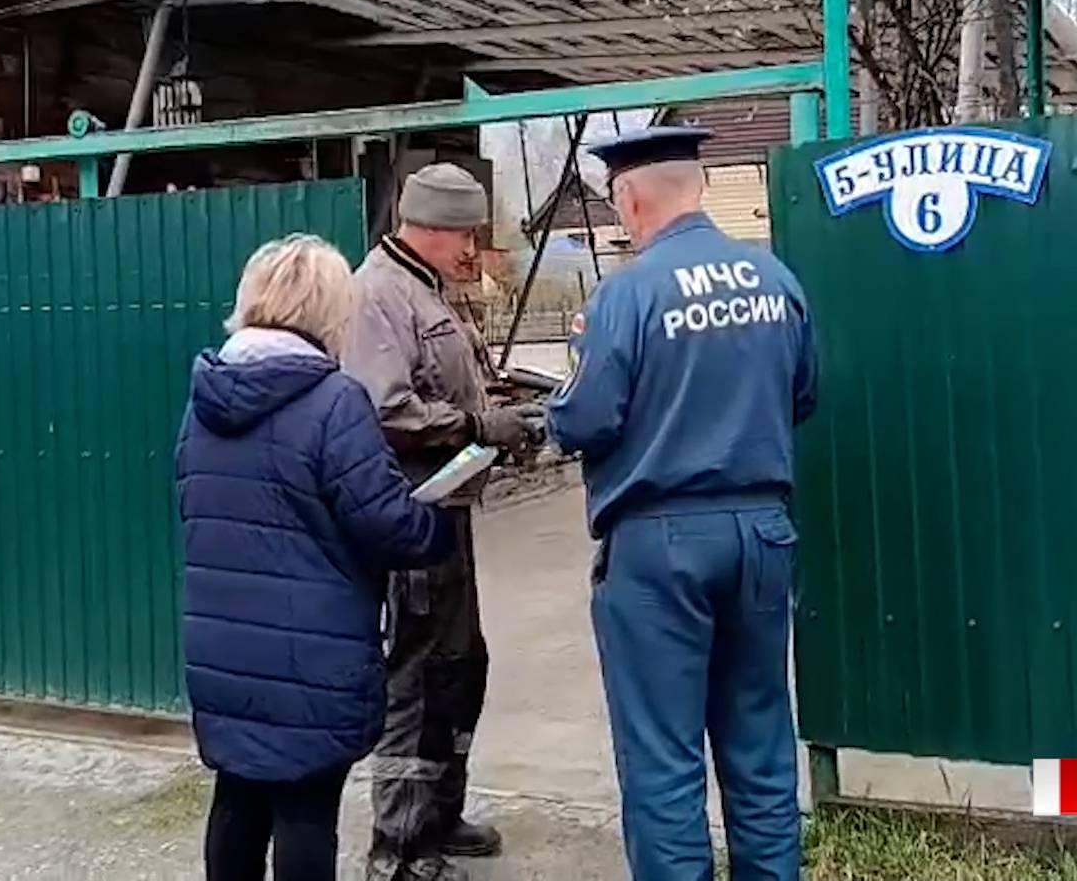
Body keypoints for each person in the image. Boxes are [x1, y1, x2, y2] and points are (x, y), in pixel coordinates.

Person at [547, 127, 818, 881]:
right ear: (697, 189)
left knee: (664, 760)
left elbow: (585, 419)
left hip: (658, 543)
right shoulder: (775, 279)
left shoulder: (626, 294)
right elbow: (804, 394)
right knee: (761, 743)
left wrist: (563, 399)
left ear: (630, 197)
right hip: (762, 533)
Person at [176, 234, 456, 881]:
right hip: (312, 653)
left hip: (224, 650)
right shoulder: (334, 402)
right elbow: (385, 524)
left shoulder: (203, 401)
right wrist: (434, 526)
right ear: (330, 311)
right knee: (306, 809)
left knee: (238, 800)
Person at [342, 163, 546, 881]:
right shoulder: (378, 294)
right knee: (418, 678)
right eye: (464, 233)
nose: (471, 248)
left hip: (449, 512)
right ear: (429, 226)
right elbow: (386, 409)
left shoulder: (426, 288)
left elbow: (443, 380)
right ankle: (396, 849)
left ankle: (440, 815)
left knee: (462, 670)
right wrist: (476, 423)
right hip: (414, 516)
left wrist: (501, 402)